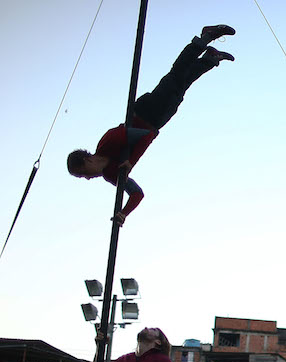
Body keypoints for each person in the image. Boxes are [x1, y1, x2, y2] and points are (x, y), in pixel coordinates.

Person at [66, 25, 236, 226]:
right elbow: (137, 193)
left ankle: (204, 38)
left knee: (177, 75)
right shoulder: (111, 174)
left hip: (147, 111)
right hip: (159, 120)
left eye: (83, 173)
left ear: (88, 159)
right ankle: (210, 58)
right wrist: (124, 213)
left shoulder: (108, 141)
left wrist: (131, 162)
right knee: (182, 84)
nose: (87, 178)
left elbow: (145, 136)